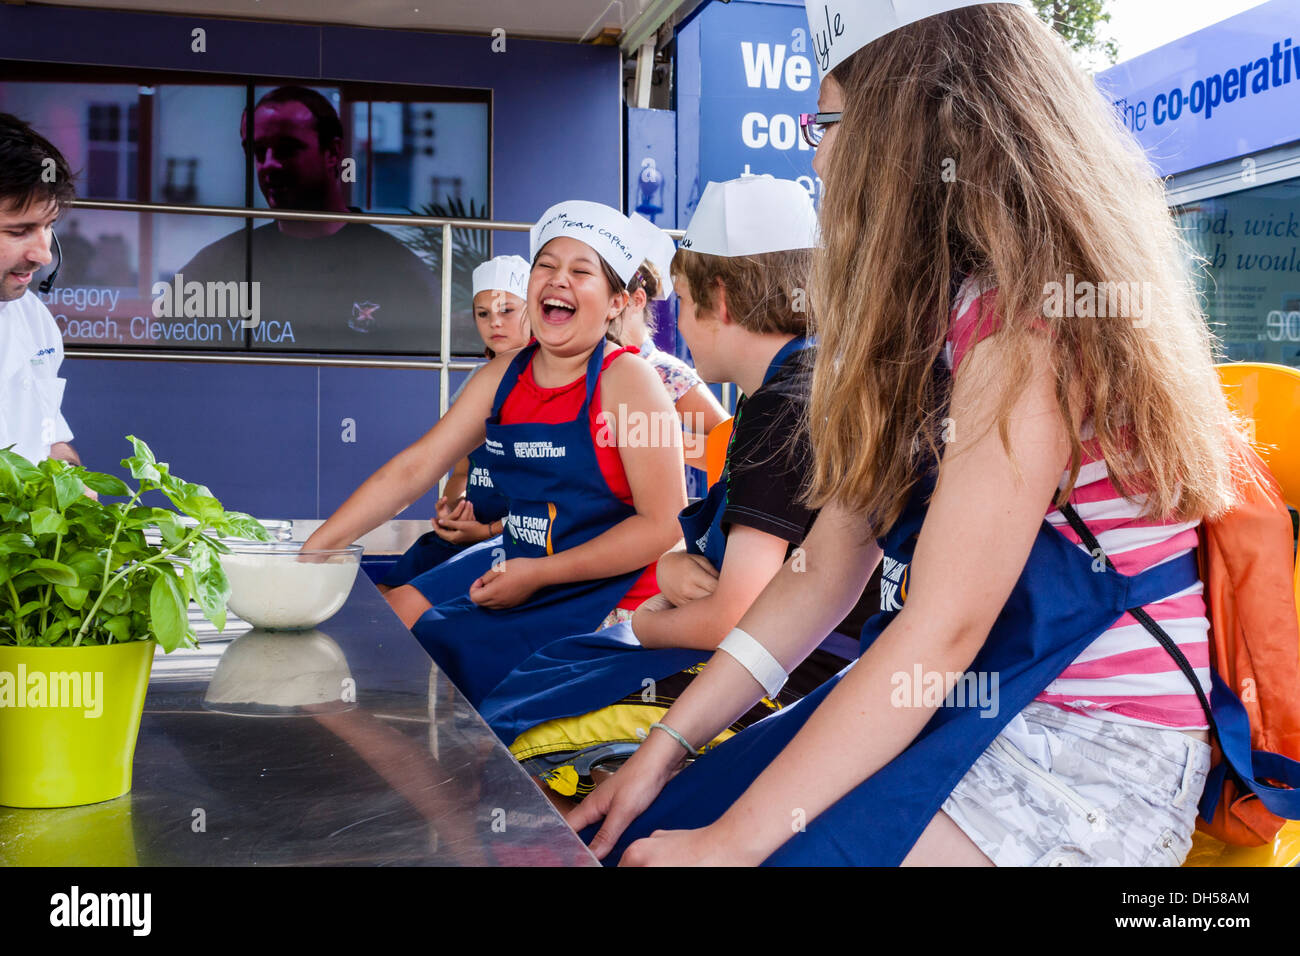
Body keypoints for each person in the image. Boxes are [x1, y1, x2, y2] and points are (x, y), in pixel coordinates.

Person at [569, 0, 1238, 867]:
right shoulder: (934, 316)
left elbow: (945, 629)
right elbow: (824, 566)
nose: (816, 152)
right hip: (978, 707)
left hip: (1092, 754)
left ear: (915, 124)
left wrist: (733, 843)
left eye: (830, 119)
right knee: (675, 819)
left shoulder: (1022, 328)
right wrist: (667, 752)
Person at [480, 176, 879, 802]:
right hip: (793, 662)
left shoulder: (783, 407)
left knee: (519, 740)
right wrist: (670, 571)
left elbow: (732, 618)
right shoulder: (804, 383)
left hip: (785, 683)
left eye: (682, 302)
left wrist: (643, 622)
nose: (677, 328)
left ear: (717, 299)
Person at [303, 200, 686, 707]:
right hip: (523, 575)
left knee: (465, 687)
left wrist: (539, 574)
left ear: (617, 302)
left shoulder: (630, 381)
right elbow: (417, 467)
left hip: (610, 601)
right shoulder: (502, 375)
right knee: (417, 647)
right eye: (546, 265)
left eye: (581, 270)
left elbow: (664, 525)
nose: (557, 279)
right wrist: (314, 551)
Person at [177, 86, 439, 351]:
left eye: (287, 150)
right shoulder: (213, 269)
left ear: (333, 153)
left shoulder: (399, 273)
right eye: (259, 152)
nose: (268, 164)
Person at [378, 255, 532, 590]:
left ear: (534, 309)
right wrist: (453, 508)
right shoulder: (476, 381)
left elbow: (555, 500)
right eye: (484, 314)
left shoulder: (547, 383)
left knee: (408, 606)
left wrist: (487, 532)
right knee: (382, 596)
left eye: (507, 310)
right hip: (465, 534)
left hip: (515, 546)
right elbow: (461, 469)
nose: (495, 323)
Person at [0, 113, 84, 468]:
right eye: (19, 231)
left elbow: (47, 437)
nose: (43, 255)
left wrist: (69, 479)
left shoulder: (33, 318)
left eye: (48, 226)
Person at [618, 214, 727, 471]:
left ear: (637, 300)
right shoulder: (585, 364)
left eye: (615, 299)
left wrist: (656, 440)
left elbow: (730, 448)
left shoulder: (666, 372)